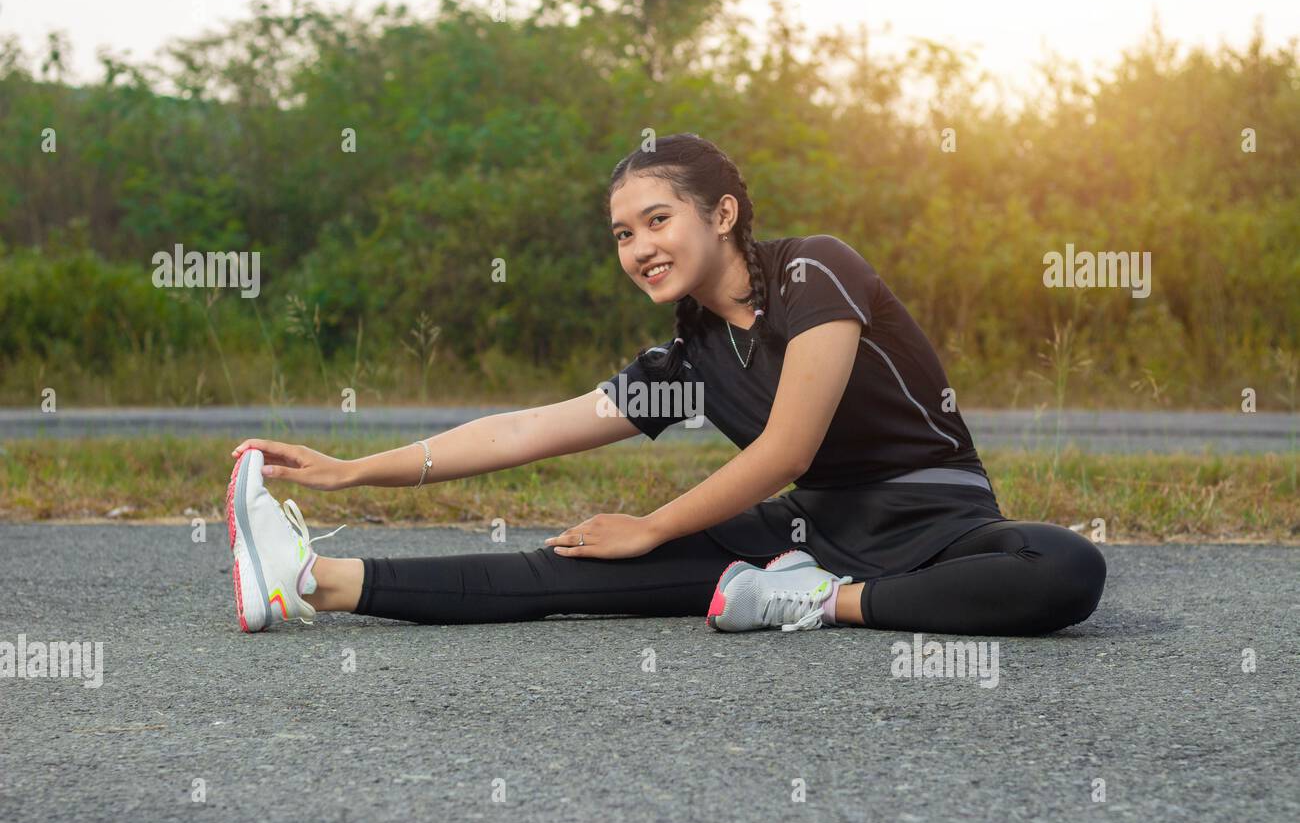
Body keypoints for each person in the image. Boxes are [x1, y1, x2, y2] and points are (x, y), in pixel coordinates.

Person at [226, 133, 1106, 636]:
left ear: (721, 214)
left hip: (941, 525)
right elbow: (524, 430)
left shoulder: (815, 275)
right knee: (561, 575)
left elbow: (787, 447)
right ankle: (308, 583)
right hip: (810, 530)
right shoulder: (688, 365)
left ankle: (822, 605)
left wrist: (653, 526)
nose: (639, 247)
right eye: (620, 235)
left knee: (1066, 568)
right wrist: (349, 470)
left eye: (657, 219)